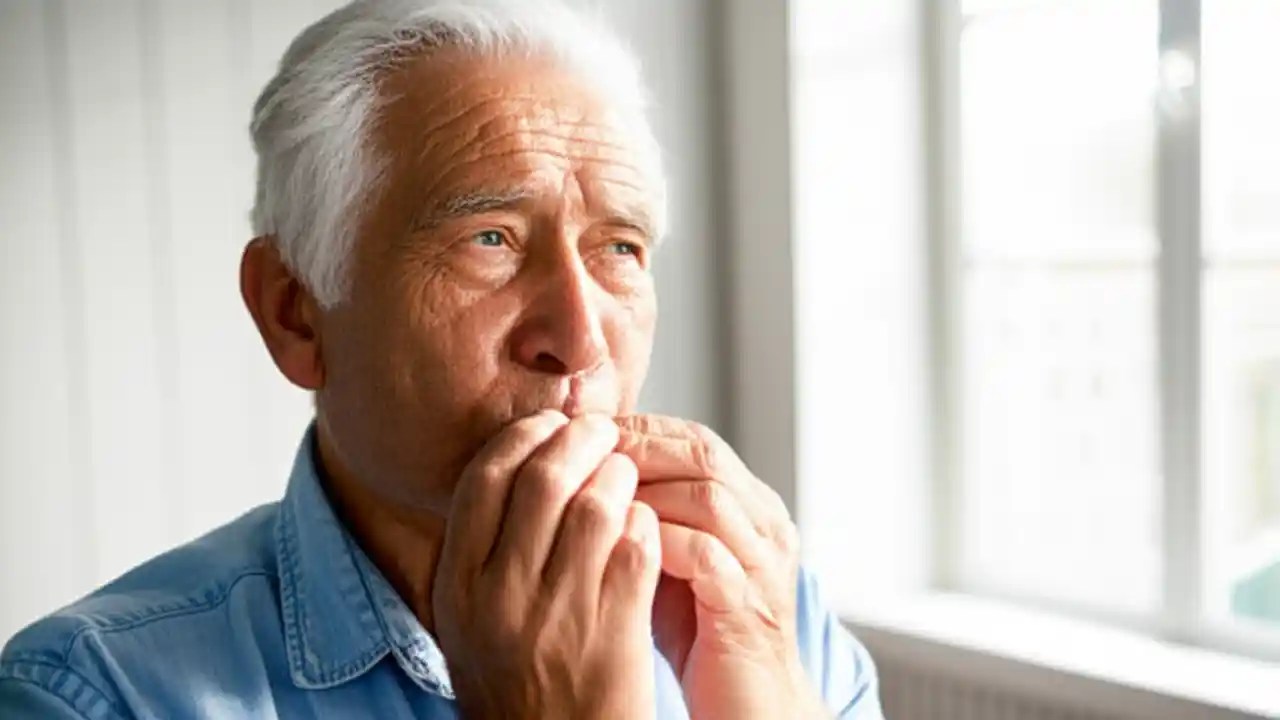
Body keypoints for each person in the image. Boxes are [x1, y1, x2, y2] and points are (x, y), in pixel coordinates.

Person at [0, 1, 882, 717]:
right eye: (490, 240)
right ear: (295, 312)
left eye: (618, 248)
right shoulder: (89, 695)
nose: (578, 341)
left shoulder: (769, 618)